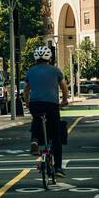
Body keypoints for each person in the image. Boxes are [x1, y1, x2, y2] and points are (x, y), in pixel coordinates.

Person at [23, 44, 69, 177]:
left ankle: (35, 140)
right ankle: (58, 168)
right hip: (51, 104)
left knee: (37, 119)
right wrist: (64, 100)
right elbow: (64, 87)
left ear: (35, 58)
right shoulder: (55, 70)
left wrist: (27, 102)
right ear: (49, 57)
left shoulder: (31, 71)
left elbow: (26, 89)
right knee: (56, 136)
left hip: (35, 104)